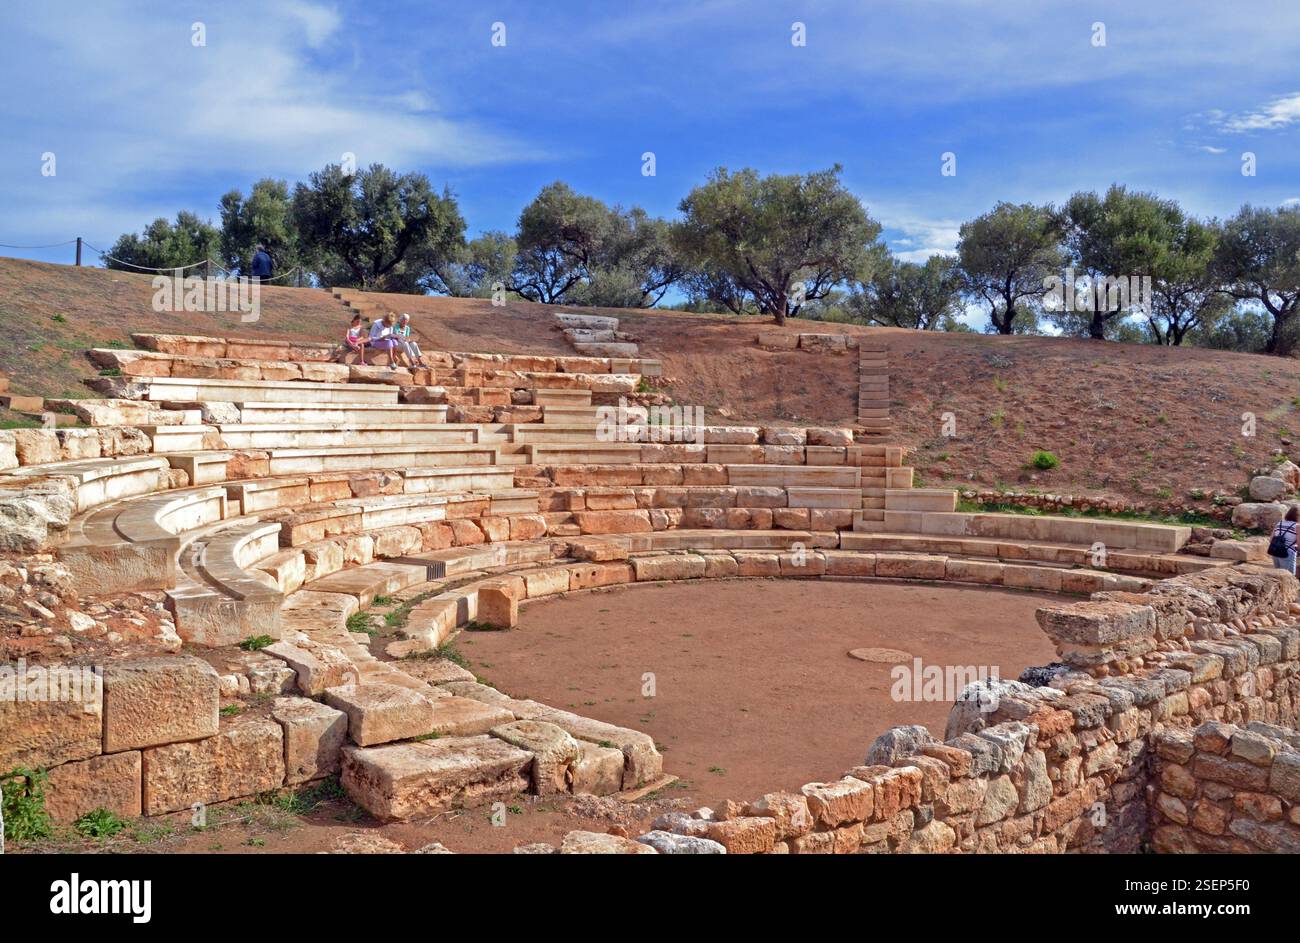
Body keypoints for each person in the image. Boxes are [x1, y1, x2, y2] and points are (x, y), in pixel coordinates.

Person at [1269, 506, 1298, 575]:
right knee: (1290, 577)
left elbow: (1271, 539)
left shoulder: (1280, 523)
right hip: (1288, 553)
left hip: (1275, 551)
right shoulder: (1297, 526)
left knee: (1278, 576)